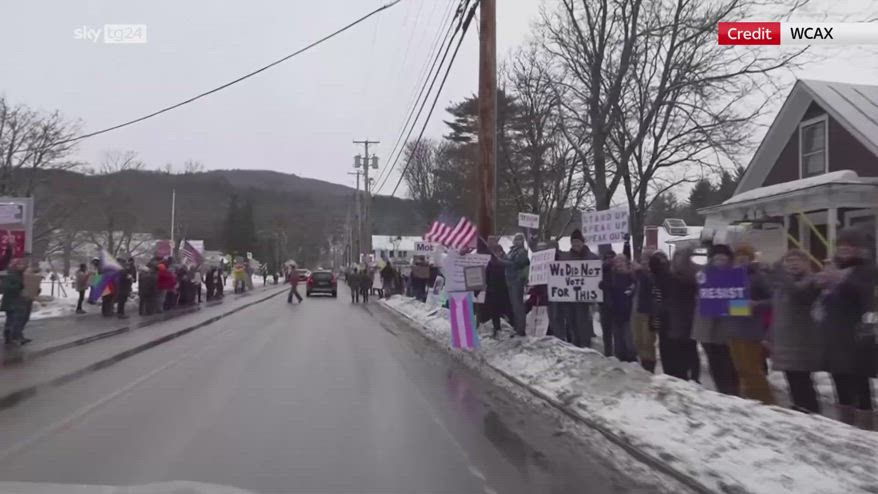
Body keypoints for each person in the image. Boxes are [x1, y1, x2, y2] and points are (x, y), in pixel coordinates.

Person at [815, 228, 876, 429]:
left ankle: (865, 426)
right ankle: (845, 424)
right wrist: (822, 288)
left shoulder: (867, 270)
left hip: (856, 334)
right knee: (839, 378)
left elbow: (865, 296)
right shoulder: (833, 268)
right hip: (834, 333)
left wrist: (840, 280)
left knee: (859, 380)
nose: (844, 249)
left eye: (849, 245)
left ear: (859, 249)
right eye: (841, 245)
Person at [771, 249, 823, 414]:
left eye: (797, 260)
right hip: (785, 339)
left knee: (803, 378)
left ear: (807, 263)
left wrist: (781, 275)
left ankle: (811, 410)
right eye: (789, 261)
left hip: (802, 339)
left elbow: (798, 294)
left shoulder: (812, 281)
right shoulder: (782, 286)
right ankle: (798, 407)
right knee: (792, 378)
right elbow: (776, 310)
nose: (793, 264)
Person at [723, 243, 774, 405]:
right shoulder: (728, 277)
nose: (741, 260)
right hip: (733, 329)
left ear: (750, 259)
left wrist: (755, 305)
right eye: (738, 257)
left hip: (751, 329)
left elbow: (773, 300)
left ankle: (766, 402)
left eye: (744, 257)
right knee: (740, 369)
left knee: (752, 369)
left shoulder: (758, 277)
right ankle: (749, 399)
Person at [693, 244, 740, 397]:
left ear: (729, 259)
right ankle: (723, 391)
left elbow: (742, 304)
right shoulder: (703, 274)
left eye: (722, 258)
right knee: (715, 363)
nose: (719, 261)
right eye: (716, 258)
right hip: (707, 328)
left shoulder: (736, 275)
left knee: (729, 362)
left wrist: (728, 307)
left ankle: (733, 391)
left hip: (728, 328)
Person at [664, 249, 701, 382]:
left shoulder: (691, 276)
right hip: (675, 317)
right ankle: (682, 375)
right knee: (678, 349)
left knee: (690, 348)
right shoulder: (670, 276)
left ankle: (694, 377)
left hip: (688, 317)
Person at [564, 229, 598, 347]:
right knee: (572, 322)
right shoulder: (566, 258)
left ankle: (585, 345)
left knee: (583, 322)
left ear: (583, 242)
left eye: (578, 241)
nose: (576, 244)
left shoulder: (592, 258)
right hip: (569, 297)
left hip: (585, 298)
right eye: (573, 242)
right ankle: (575, 344)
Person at [602, 255, 637, 361]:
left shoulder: (632, 276)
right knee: (618, 340)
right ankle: (620, 359)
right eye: (617, 262)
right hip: (615, 312)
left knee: (628, 340)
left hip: (628, 313)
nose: (619, 264)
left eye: (621, 261)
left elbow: (633, 291)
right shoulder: (612, 277)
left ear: (626, 263)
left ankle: (631, 359)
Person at [500, 233, 530, 337]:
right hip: (509, 279)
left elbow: (517, 263)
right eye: (516, 239)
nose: (517, 241)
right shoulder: (511, 251)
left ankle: (521, 329)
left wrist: (503, 261)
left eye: (519, 240)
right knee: (513, 305)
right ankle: (517, 327)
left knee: (518, 306)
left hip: (517, 280)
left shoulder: (523, 252)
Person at [631, 251, 656, 372]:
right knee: (637, 340)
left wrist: (641, 271)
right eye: (643, 260)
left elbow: (651, 284)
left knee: (648, 341)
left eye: (647, 260)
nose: (644, 262)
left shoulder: (653, 274)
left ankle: (649, 367)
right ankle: (643, 362)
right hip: (636, 311)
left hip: (649, 313)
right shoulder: (637, 275)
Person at [484, 237, 510, 338]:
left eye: (498, 252)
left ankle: (513, 327)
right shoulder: (491, 263)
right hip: (492, 290)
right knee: (494, 311)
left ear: (501, 252)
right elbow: (487, 275)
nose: (496, 253)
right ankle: (496, 329)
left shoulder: (505, 261)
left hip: (503, 290)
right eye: (495, 252)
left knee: (506, 310)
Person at [2, 258, 30, 345]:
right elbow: (6, 287)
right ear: (15, 265)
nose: (22, 266)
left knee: (20, 319)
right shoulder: (10, 274)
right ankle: (10, 337)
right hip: (11, 301)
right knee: (12, 320)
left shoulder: (22, 274)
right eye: (19, 264)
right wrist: (19, 286)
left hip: (20, 300)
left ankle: (17, 336)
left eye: (22, 264)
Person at [599, 250, 617, 357]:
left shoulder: (618, 271)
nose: (609, 261)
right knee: (606, 332)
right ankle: (608, 353)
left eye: (611, 258)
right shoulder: (599, 271)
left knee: (617, 332)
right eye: (607, 258)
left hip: (616, 305)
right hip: (604, 305)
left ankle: (618, 353)